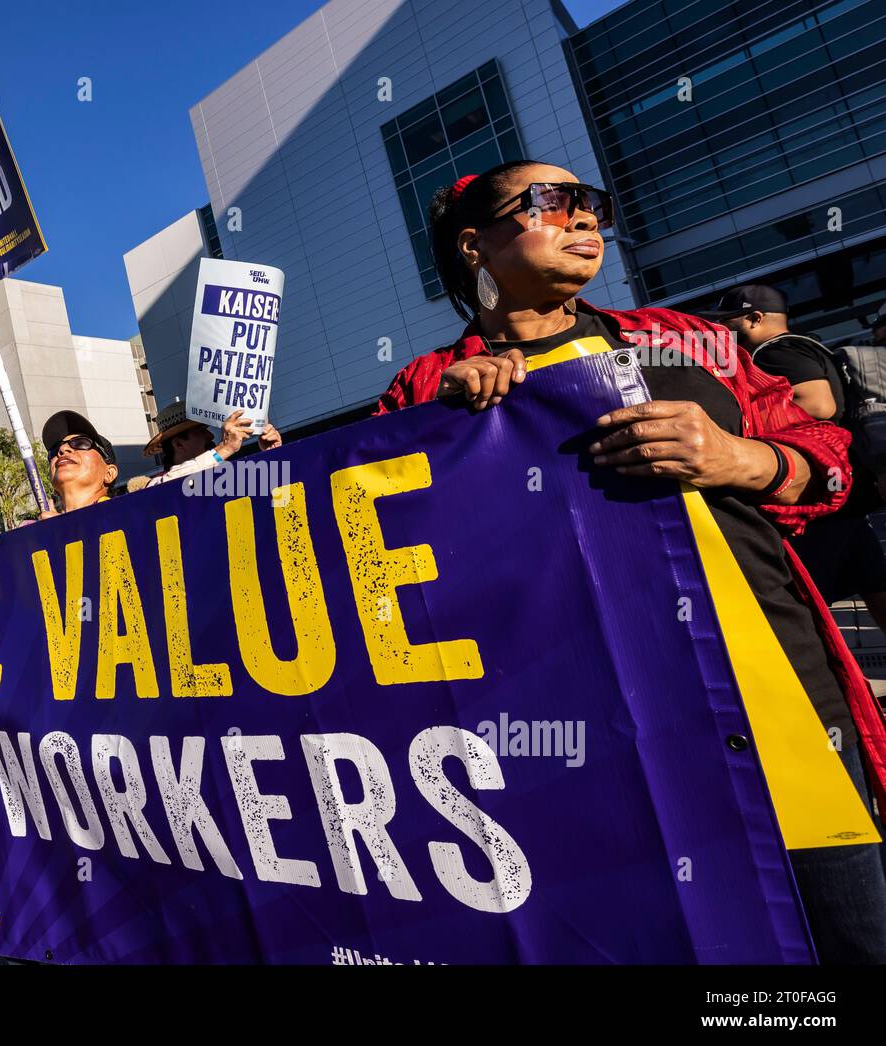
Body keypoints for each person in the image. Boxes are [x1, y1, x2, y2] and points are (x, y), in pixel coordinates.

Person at [375, 159, 886, 963]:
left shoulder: (686, 340)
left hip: (777, 697)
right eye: (551, 202)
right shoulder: (426, 388)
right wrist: (433, 438)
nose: (585, 220)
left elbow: (828, 458)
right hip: (581, 739)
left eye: (592, 204)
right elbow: (383, 563)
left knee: (851, 935)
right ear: (474, 245)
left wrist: (738, 459)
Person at [699, 286, 886, 630]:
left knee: (801, 606)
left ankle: (827, 679)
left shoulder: (775, 353)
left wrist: (744, 430)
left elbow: (819, 404)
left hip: (815, 493)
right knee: (875, 587)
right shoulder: (808, 346)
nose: (723, 330)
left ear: (755, 318)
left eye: (728, 321)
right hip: (840, 492)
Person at [142, 401, 283, 488]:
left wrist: (273, 455)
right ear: (178, 444)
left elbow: (279, 499)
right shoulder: (156, 485)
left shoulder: (225, 476)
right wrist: (225, 448)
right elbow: (171, 485)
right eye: (201, 431)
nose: (211, 436)